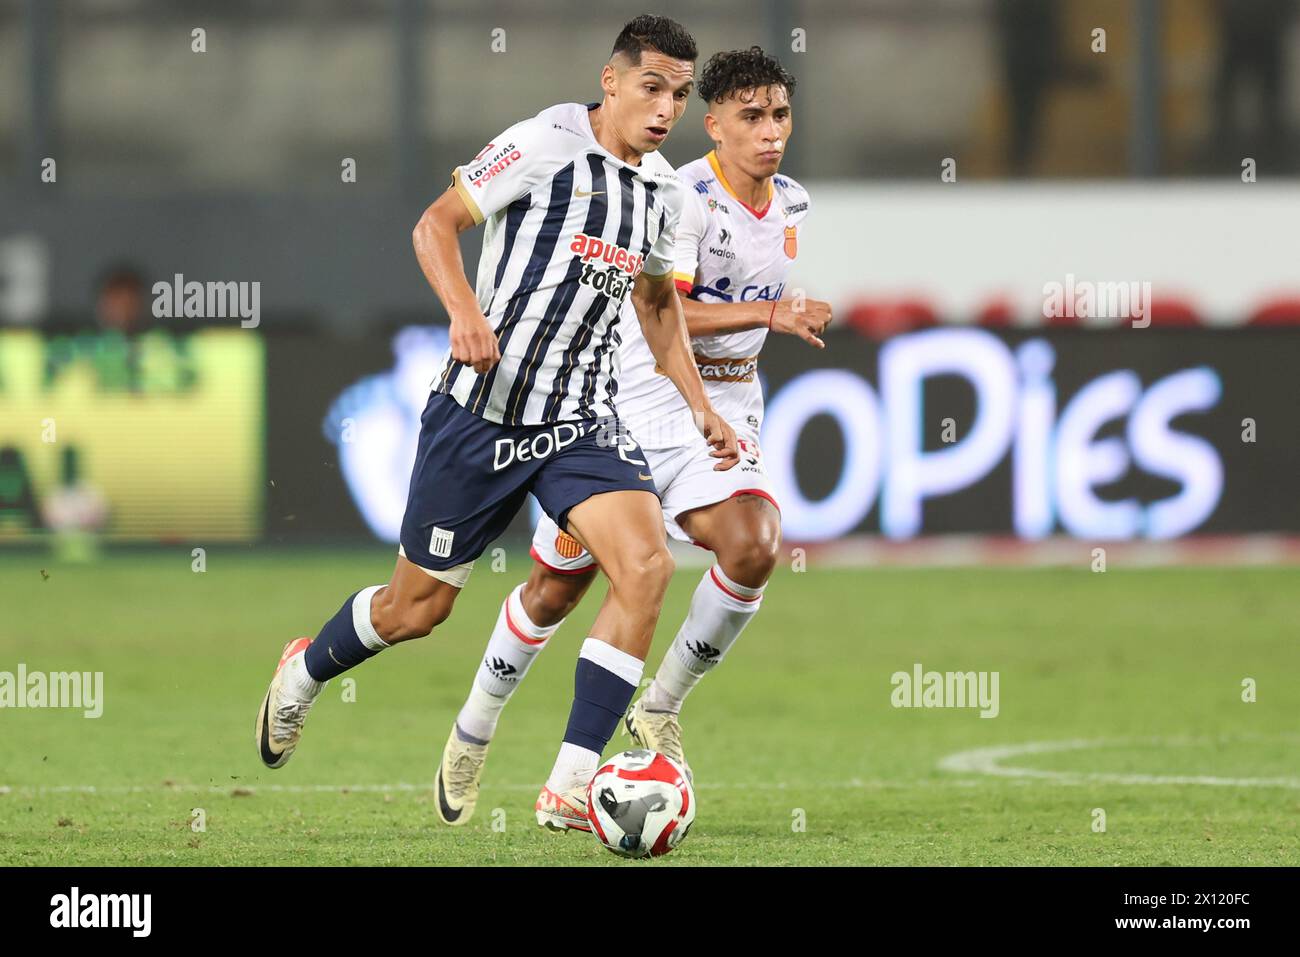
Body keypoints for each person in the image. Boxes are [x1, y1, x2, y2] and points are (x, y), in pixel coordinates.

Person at [254, 16, 739, 835]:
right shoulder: (545, 143)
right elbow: (434, 224)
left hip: (580, 418)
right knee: (417, 610)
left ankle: (572, 783)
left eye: (682, 95)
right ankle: (302, 672)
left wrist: (699, 405)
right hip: (480, 412)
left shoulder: (661, 192)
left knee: (648, 566)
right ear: (611, 79)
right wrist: (464, 314)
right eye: (652, 87)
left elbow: (658, 306)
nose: (666, 109)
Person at [433, 47, 832, 831]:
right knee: (558, 588)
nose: (770, 132)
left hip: (726, 405)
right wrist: (770, 314)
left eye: (780, 115)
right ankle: (473, 730)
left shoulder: (793, 203)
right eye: (751, 117)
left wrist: (761, 335)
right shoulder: (678, 197)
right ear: (712, 125)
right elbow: (665, 315)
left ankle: (653, 711)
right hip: (634, 399)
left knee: (753, 543)